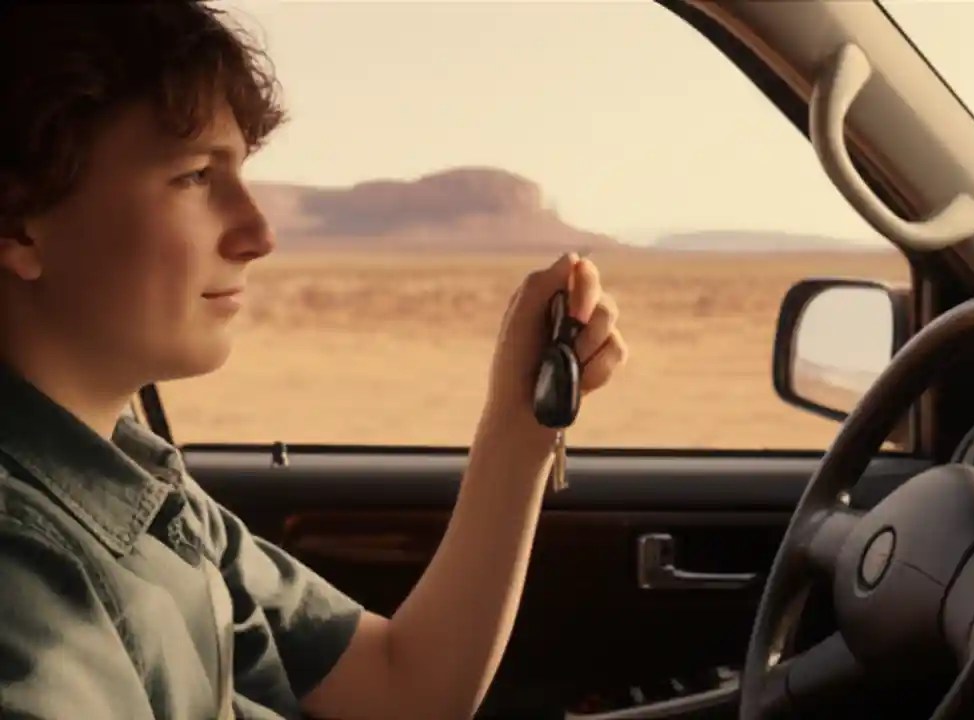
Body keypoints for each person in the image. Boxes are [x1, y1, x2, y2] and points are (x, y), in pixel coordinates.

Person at [0, 2, 627, 719]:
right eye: (196, 177)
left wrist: (522, 423)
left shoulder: (135, 483)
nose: (259, 233)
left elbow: (405, 687)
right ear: (20, 222)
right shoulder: (21, 568)